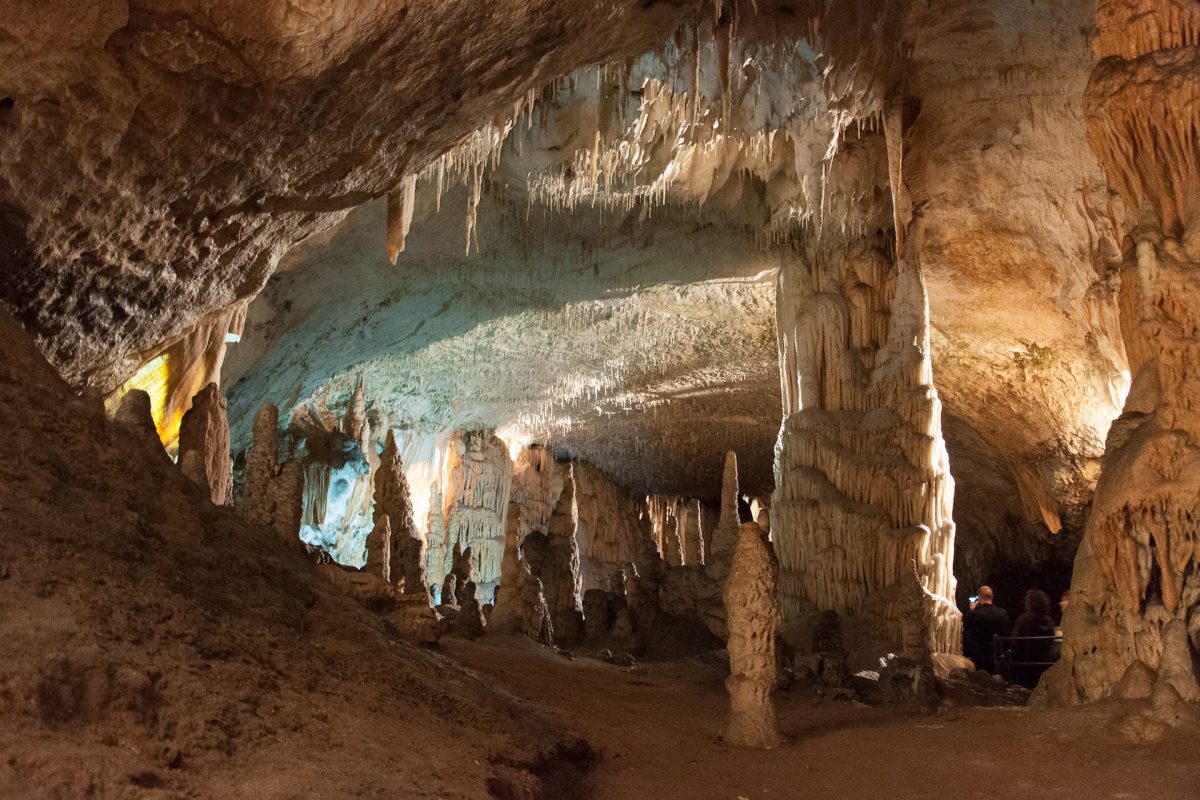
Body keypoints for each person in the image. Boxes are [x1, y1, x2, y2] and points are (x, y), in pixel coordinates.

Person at [1010, 589, 1057, 687]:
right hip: (1044, 664)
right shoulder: (1049, 621)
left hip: (1025, 666)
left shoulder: (1024, 620)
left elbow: (1015, 642)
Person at [962, 585, 1009, 673]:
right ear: (992, 596)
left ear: (979, 598)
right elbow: (1005, 631)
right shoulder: (1002, 613)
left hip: (979, 654)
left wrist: (971, 610)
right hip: (996, 653)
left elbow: (965, 625)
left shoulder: (975, 614)